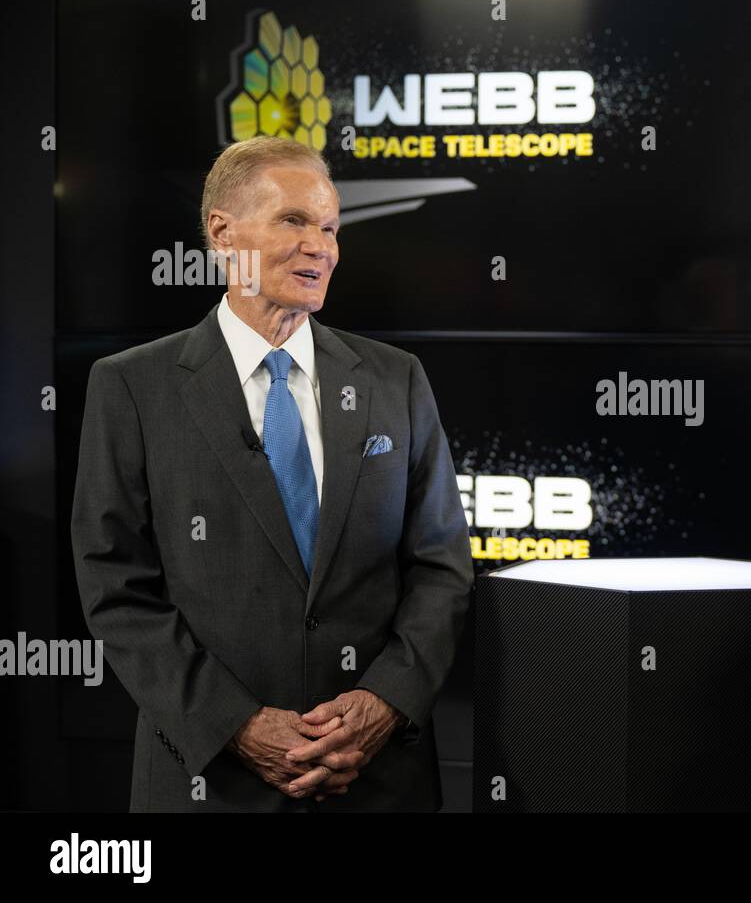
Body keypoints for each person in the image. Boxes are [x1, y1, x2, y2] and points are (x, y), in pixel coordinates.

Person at [70, 136, 473, 811]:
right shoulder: (132, 388)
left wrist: (382, 703)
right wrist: (238, 727)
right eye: (294, 220)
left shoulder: (394, 380)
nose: (322, 246)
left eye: (331, 227)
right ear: (224, 233)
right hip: (210, 782)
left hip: (376, 780)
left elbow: (443, 566)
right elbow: (115, 586)